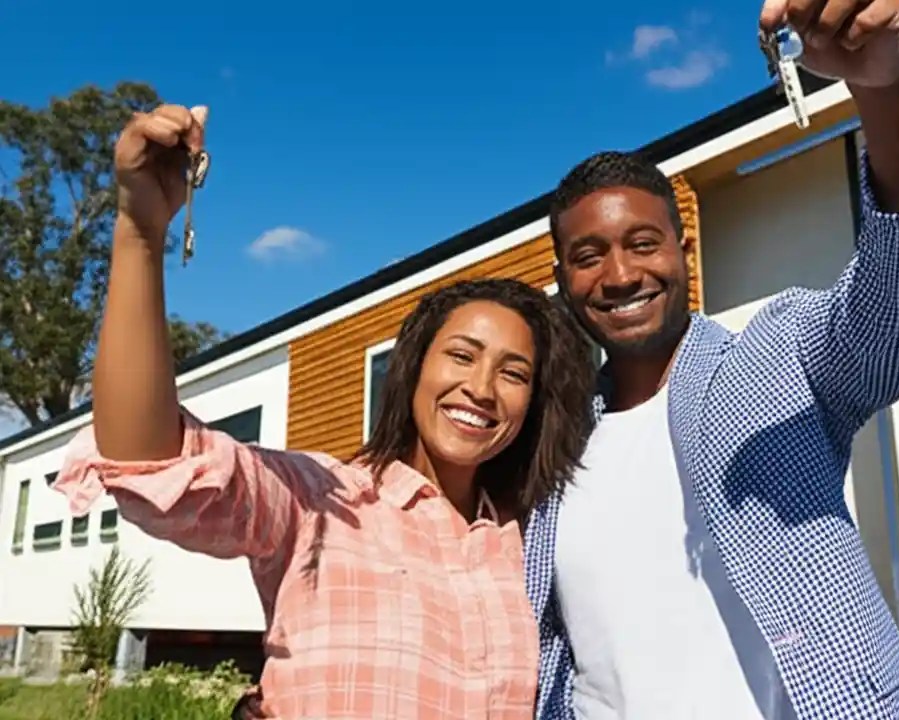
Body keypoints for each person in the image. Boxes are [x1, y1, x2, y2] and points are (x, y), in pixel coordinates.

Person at [52, 105, 596, 719]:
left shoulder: (527, 543)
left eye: (514, 373)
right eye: (461, 356)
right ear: (412, 370)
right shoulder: (321, 499)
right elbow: (149, 457)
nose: (483, 388)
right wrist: (140, 235)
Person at [525, 0, 899, 718]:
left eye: (643, 244)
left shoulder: (779, 359)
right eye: (588, 256)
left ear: (684, 252)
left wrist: (885, 85)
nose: (617, 276)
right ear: (563, 282)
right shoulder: (548, 452)